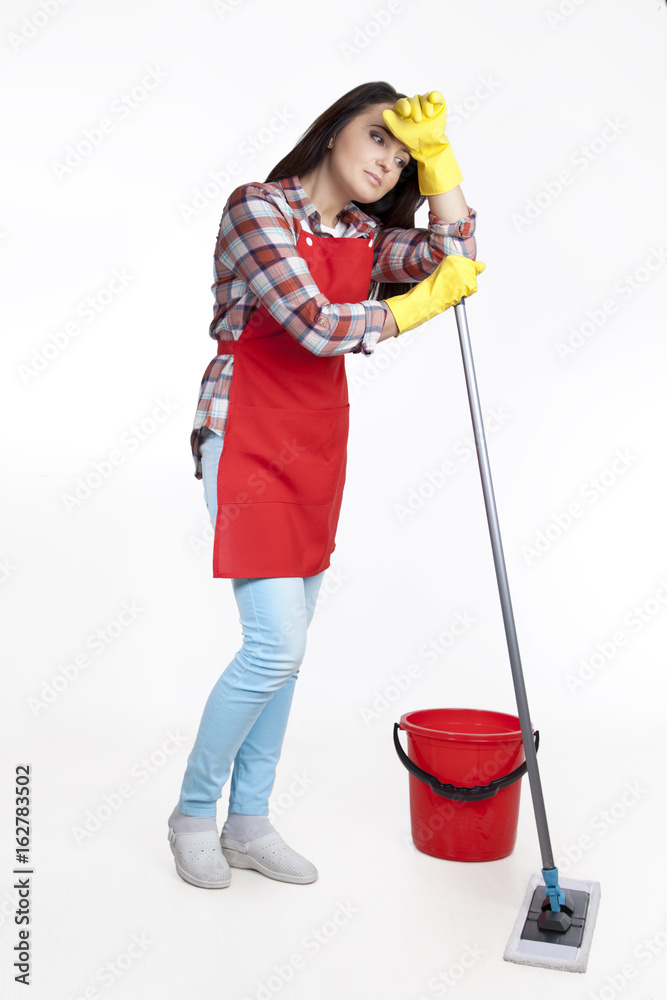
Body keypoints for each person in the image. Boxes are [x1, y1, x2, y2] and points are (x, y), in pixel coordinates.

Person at [168, 81, 485, 889]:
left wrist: (441, 157)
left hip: (315, 443)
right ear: (335, 127)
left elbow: (457, 255)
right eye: (379, 136)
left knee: (288, 655)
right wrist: (412, 313)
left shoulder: (367, 239)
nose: (388, 160)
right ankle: (193, 814)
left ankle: (250, 821)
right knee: (273, 643)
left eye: (402, 153)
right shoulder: (256, 209)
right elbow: (313, 325)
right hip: (244, 436)